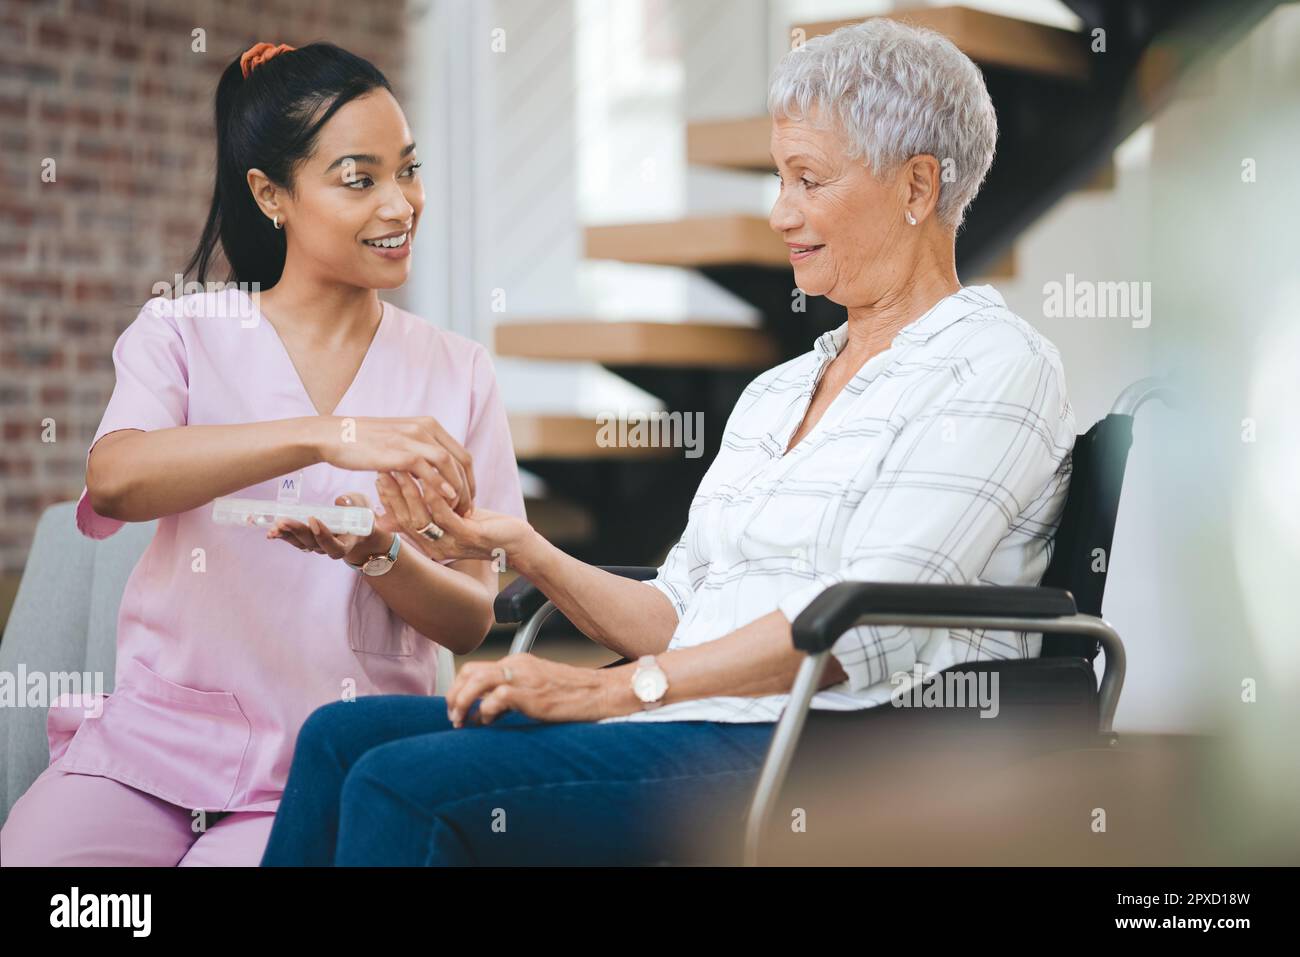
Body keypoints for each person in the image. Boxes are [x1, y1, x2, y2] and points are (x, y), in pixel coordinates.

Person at [260, 18, 1077, 867]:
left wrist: (608, 689)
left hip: (840, 747)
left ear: (916, 188)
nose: (779, 212)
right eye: (777, 178)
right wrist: (524, 547)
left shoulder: (994, 366)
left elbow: (864, 628)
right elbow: (675, 612)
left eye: (808, 179)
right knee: (339, 738)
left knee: (404, 782)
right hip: (701, 715)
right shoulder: (780, 390)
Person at [0, 41, 524, 866]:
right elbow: (119, 477)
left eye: (409, 170)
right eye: (361, 178)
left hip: (321, 763)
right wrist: (325, 434)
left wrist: (382, 554)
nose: (401, 204)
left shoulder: (458, 373)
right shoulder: (181, 332)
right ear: (271, 195)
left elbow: (473, 611)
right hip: (149, 754)